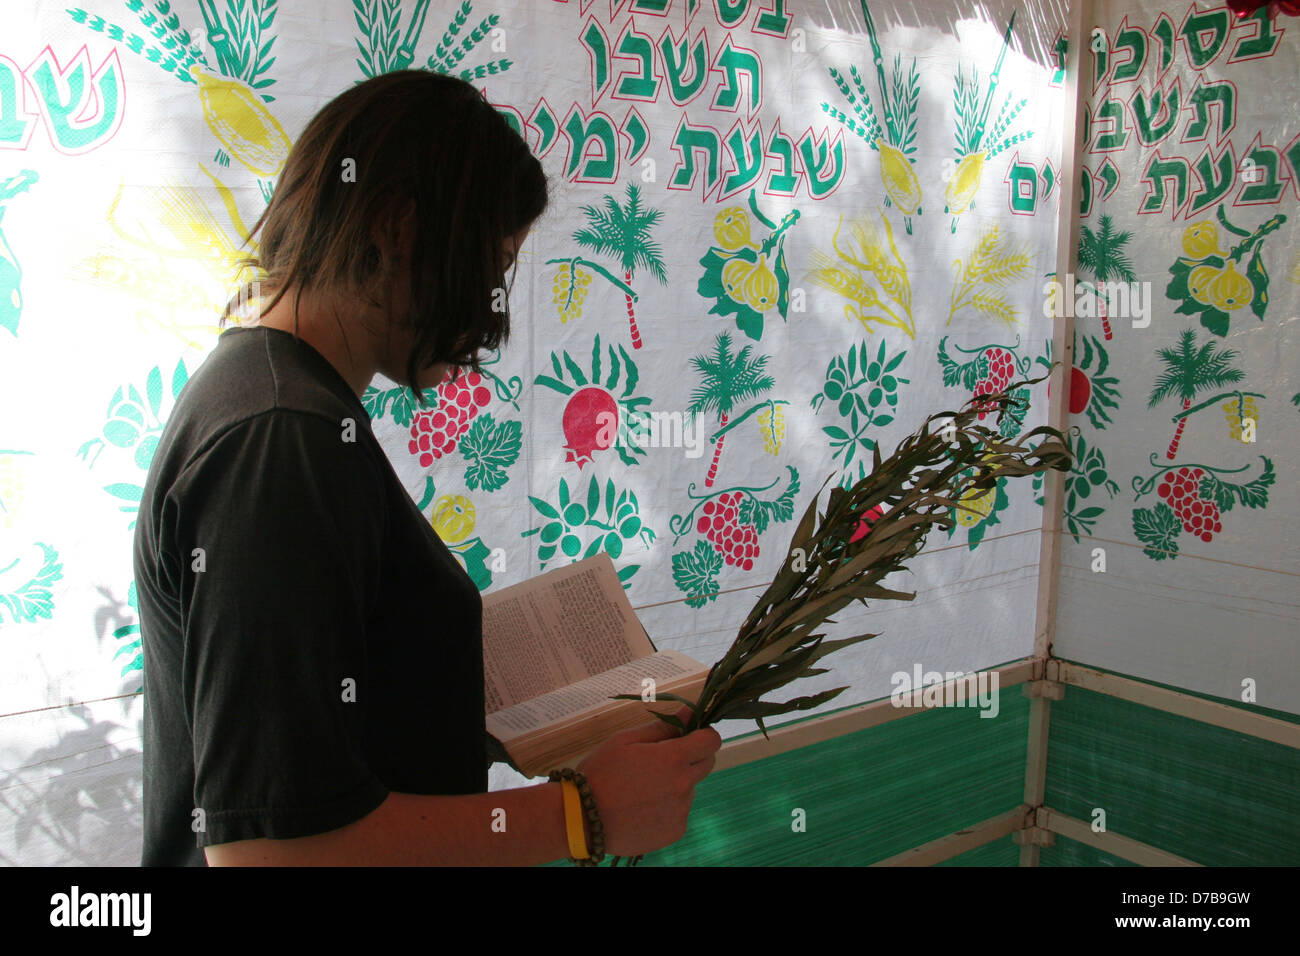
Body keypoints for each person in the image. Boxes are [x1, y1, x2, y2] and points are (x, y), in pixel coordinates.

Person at [133, 70, 721, 866]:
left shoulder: (283, 405)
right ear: (401, 229)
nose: (493, 316)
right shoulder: (279, 440)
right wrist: (583, 815)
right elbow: (271, 854)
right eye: (489, 270)